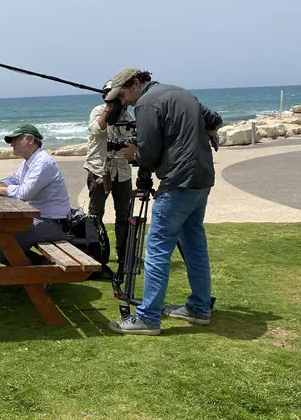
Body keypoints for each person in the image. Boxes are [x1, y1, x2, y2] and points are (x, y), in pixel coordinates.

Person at [104, 68, 223, 336]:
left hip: (178, 181)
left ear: (136, 84)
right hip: (202, 177)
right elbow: (215, 119)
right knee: (194, 245)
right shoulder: (181, 93)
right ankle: (200, 308)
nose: (125, 101)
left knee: (157, 248)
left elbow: (148, 153)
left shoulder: (146, 102)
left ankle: (147, 318)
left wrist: (134, 154)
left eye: (123, 94)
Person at [0, 124, 71, 265]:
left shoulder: (43, 162)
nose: (11, 144)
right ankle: (41, 265)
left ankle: (43, 271)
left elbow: (24, 193)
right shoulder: (30, 161)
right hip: (37, 219)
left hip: (51, 222)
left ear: (30, 139)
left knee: (2, 251)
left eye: (15, 139)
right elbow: (15, 179)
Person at [84, 81, 134, 272]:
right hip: (99, 169)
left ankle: (124, 255)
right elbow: (96, 130)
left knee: (124, 215)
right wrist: (108, 108)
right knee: (95, 214)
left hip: (122, 172)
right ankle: (95, 253)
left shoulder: (128, 116)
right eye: (109, 93)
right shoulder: (98, 111)